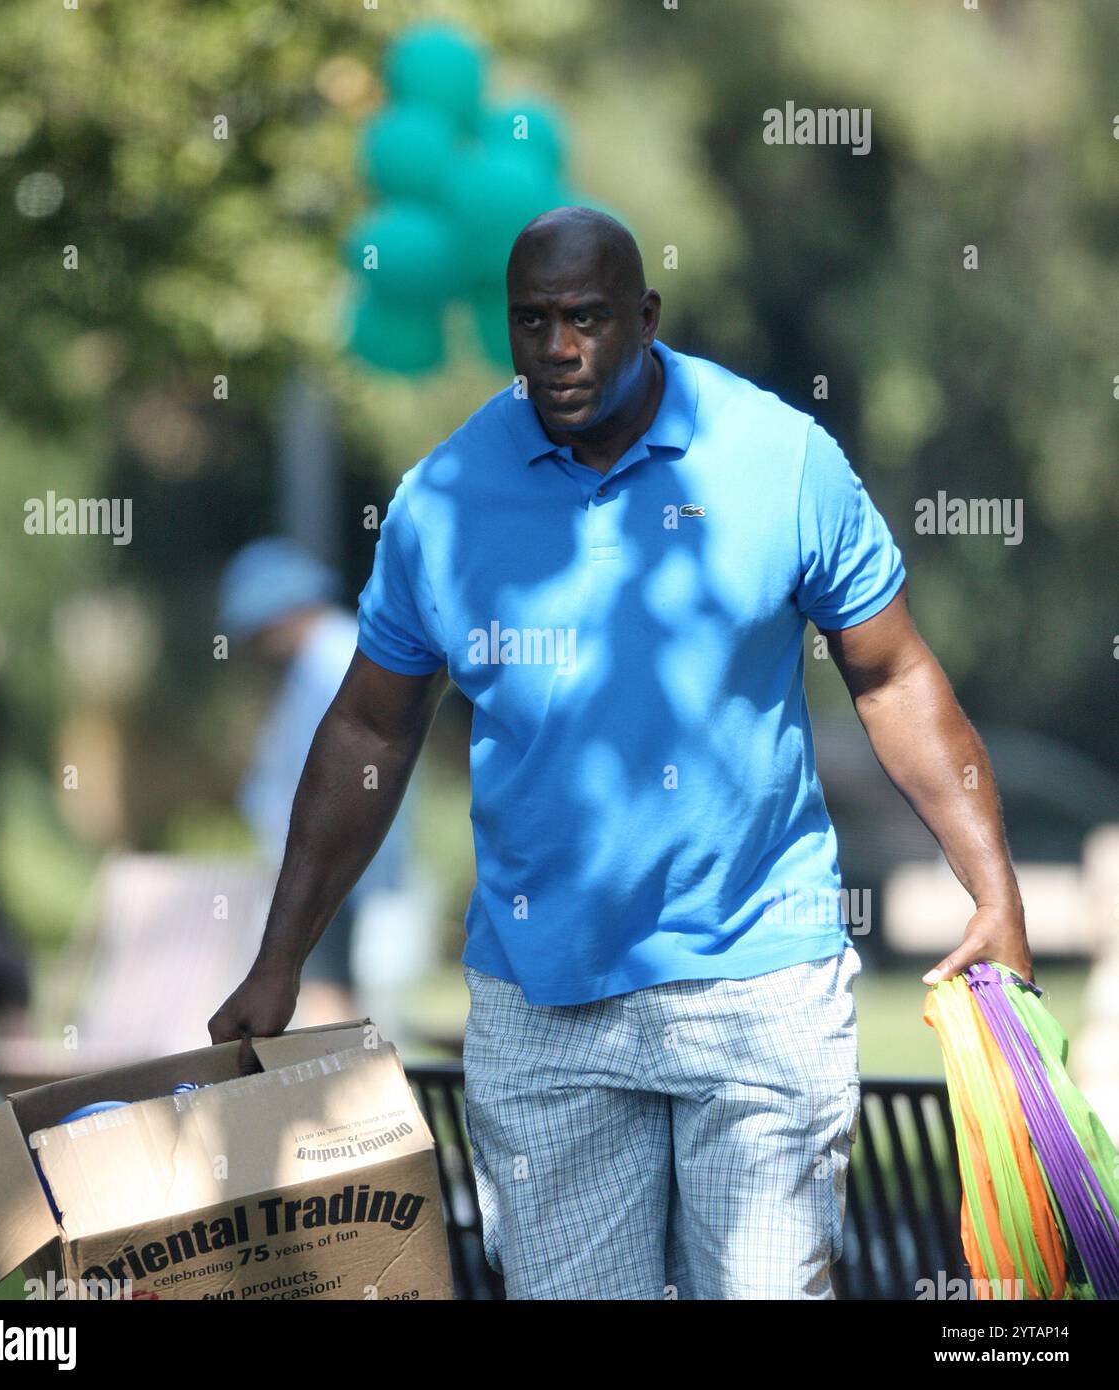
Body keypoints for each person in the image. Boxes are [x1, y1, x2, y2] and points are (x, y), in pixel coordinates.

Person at [210, 206, 1032, 1299]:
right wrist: (281, 957)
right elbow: (370, 727)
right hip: (544, 1007)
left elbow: (893, 675)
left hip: (757, 984)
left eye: (588, 318)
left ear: (646, 315)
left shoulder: (779, 460)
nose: (559, 349)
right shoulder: (444, 503)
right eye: (533, 321)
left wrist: (994, 886)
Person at [217, 537, 415, 1026]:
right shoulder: (316, 662)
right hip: (331, 857)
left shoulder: (335, 657)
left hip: (335, 855)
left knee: (327, 998)